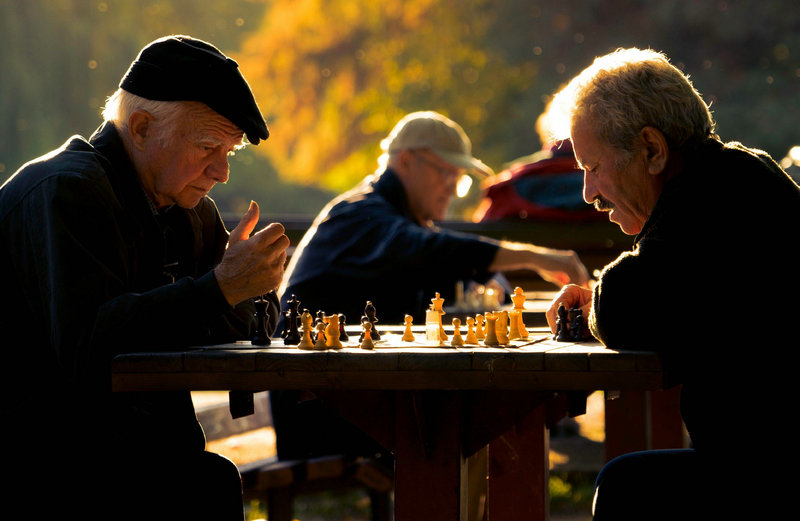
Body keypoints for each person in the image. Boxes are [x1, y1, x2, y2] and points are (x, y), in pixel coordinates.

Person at [0, 35, 289, 520]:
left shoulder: (186, 208)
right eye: (207, 147)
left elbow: (241, 319)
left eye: (228, 153)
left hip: (130, 458)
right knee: (202, 487)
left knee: (209, 482)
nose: (220, 171)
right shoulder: (67, 192)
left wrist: (243, 287)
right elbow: (89, 349)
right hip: (44, 464)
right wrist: (220, 288)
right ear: (140, 128)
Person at [544, 48, 800, 520]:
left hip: (775, 476)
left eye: (593, 167)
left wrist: (598, 298)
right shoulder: (737, 174)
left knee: (629, 489)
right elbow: (662, 282)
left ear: (652, 150)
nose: (588, 193)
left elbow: (626, 306)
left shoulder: (712, 201)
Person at [270, 111, 589, 466]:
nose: (454, 189)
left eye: (460, 179)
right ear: (406, 161)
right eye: (447, 173)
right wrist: (536, 257)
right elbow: (427, 250)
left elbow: (433, 257)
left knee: (484, 420)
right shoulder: (358, 215)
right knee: (470, 426)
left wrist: (486, 278)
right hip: (316, 410)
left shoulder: (390, 218)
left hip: (352, 394)